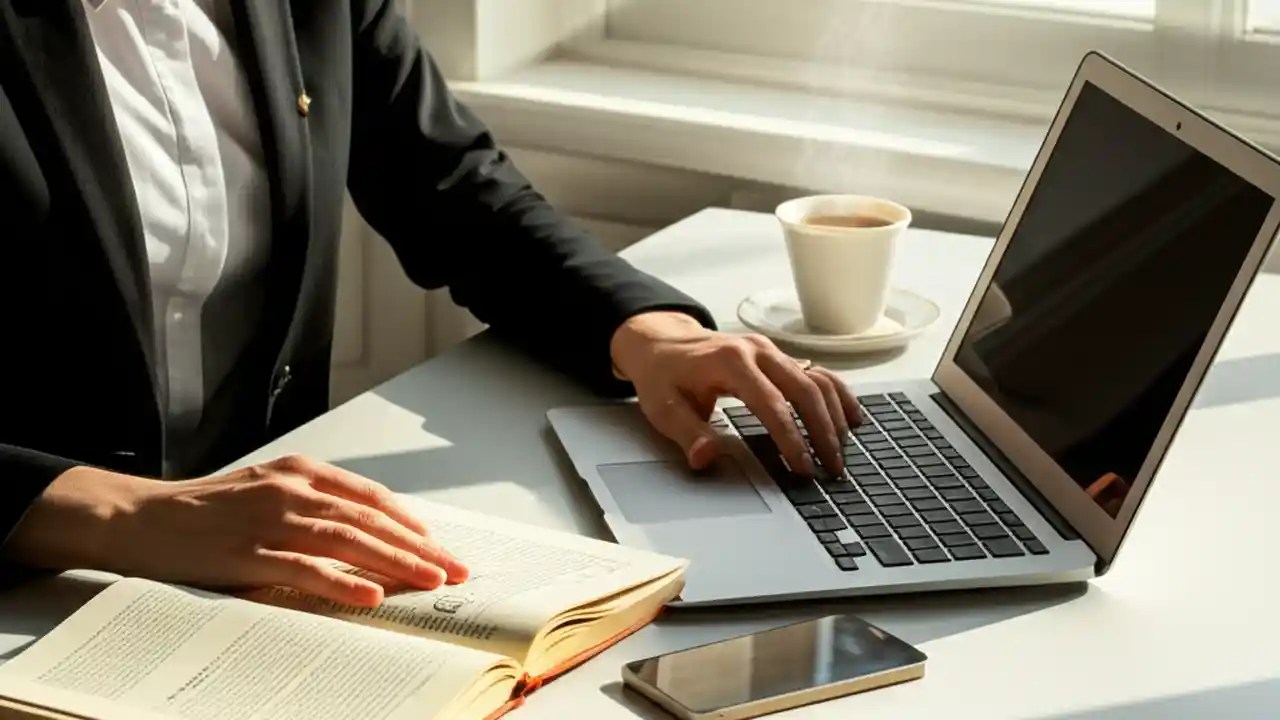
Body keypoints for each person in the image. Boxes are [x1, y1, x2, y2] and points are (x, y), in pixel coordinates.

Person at [0, 0, 860, 607]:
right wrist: (120, 513)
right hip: (32, 577)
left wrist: (648, 333)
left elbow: (454, 190)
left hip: (264, 562)